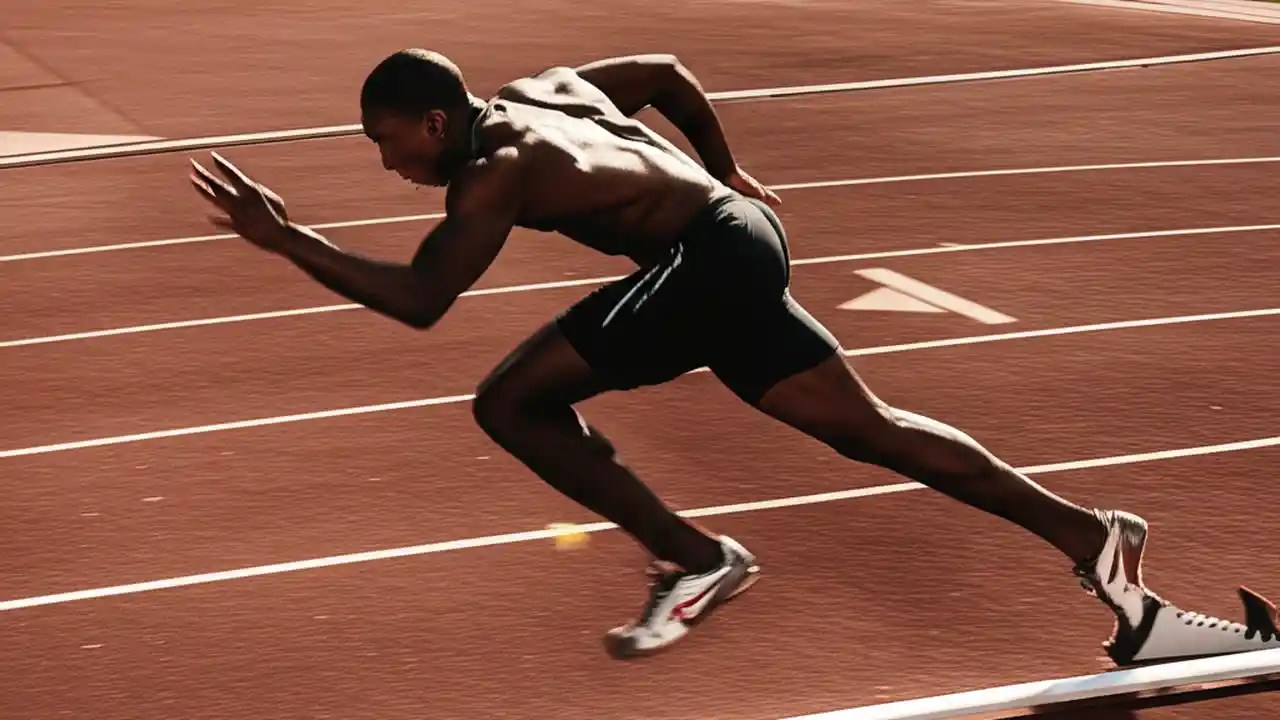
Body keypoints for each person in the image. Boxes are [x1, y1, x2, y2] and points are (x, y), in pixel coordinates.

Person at [188, 49, 1271, 663]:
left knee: (511, 403)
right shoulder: (541, 88)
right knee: (870, 432)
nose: (386, 167)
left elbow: (424, 298)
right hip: (732, 242)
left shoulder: (495, 170)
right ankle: (1098, 546)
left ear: (432, 122)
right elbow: (660, 72)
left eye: (385, 145)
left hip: (704, 261)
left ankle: (698, 558)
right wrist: (730, 174)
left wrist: (285, 241)